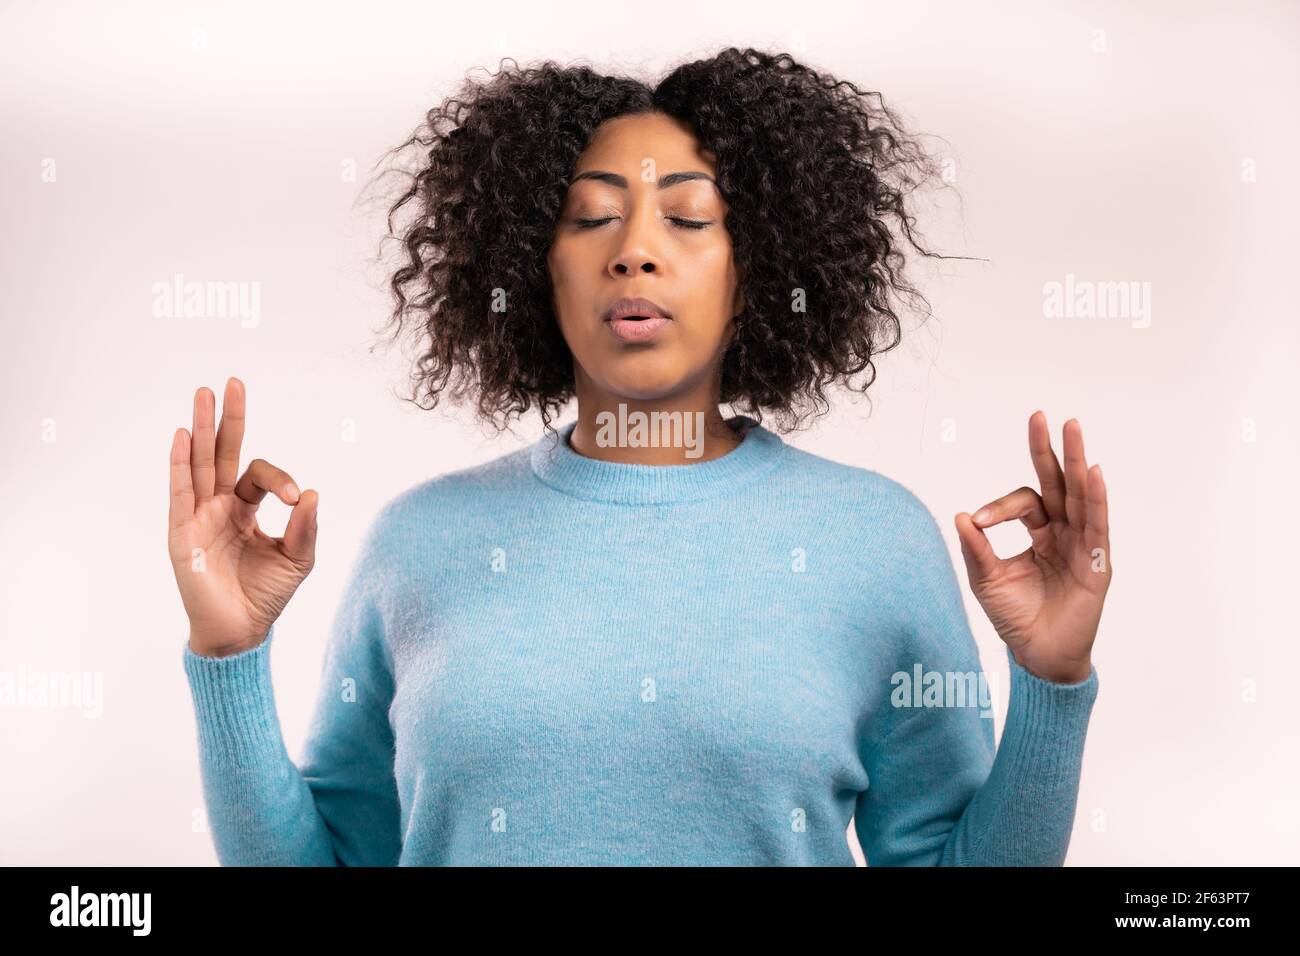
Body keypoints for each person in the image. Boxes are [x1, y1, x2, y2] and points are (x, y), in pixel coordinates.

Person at [168, 48, 1109, 866]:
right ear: (535, 261)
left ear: (761, 268)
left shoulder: (876, 541)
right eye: (590, 217)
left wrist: (1053, 683)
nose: (636, 253)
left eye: (689, 218)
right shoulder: (418, 540)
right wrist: (230, 653)